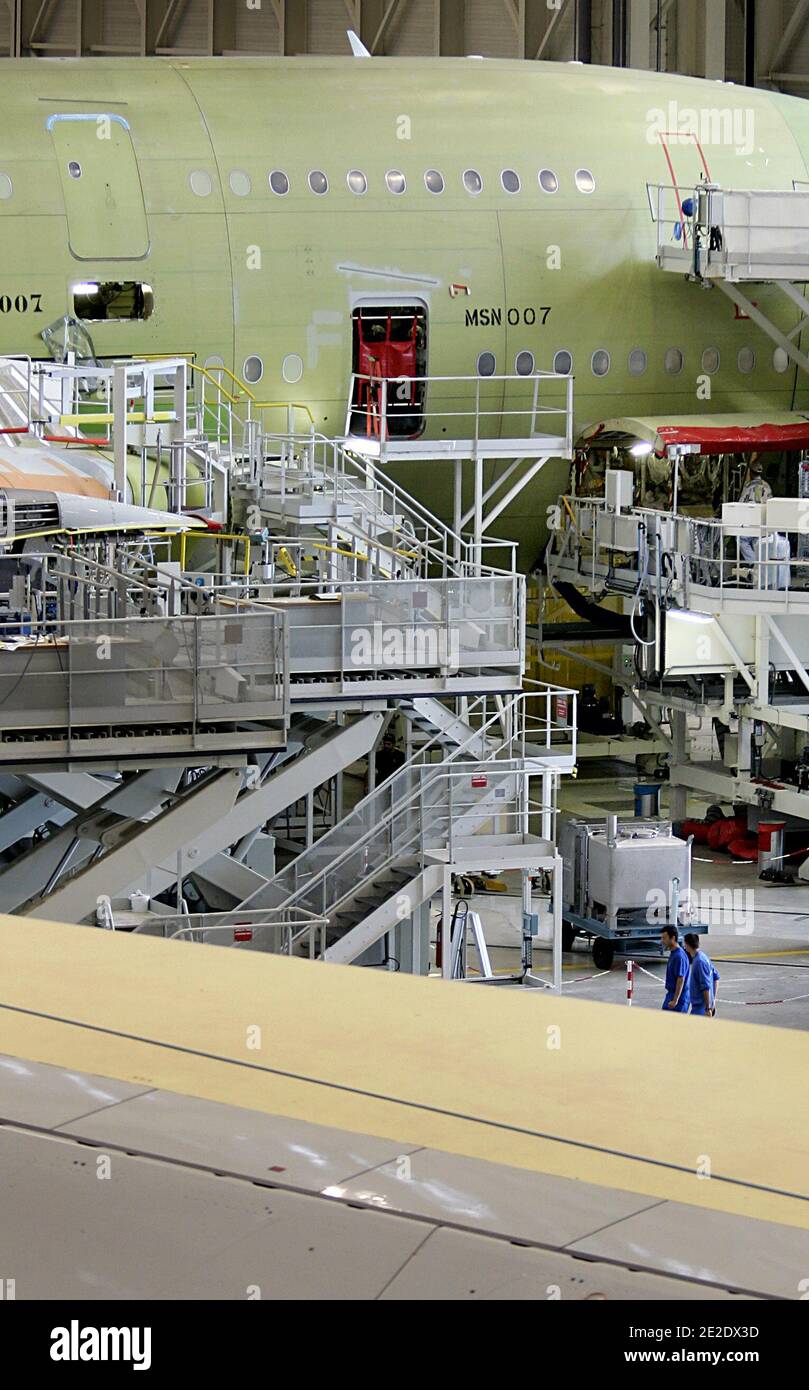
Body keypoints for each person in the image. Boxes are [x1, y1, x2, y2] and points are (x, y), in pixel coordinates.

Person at [683, 933, 720, 1016]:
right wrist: (713, 1000)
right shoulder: (704, 957)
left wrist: (708, 1008)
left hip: (700, 1008)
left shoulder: (699, 962)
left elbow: (705, 987)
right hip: (703, 1006)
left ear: (687, 945)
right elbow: (716, 977)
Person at [661, 925, 690, 1012]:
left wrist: (675, 1000)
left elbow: (680, 979)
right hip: (671, 994)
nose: (662, 941)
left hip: (679, 998)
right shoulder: (674, 953)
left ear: (673, 938)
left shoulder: (679, 956)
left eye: (664, 938)